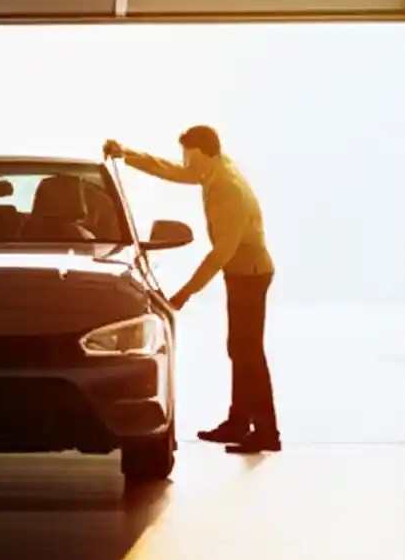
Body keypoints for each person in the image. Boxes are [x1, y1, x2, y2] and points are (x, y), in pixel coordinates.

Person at [104, 126, 280, 453]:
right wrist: (126, 154)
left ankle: (267, 432)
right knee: (238, 348)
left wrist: (184, 294)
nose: (188, 165)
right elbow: (172, 170)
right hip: (240, 272)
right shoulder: (212, 170)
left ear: (208, 153)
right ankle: (239, 422)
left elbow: (218, 256)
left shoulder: (227, 188)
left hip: (249, 275)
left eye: (192, 158)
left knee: (249, 352)